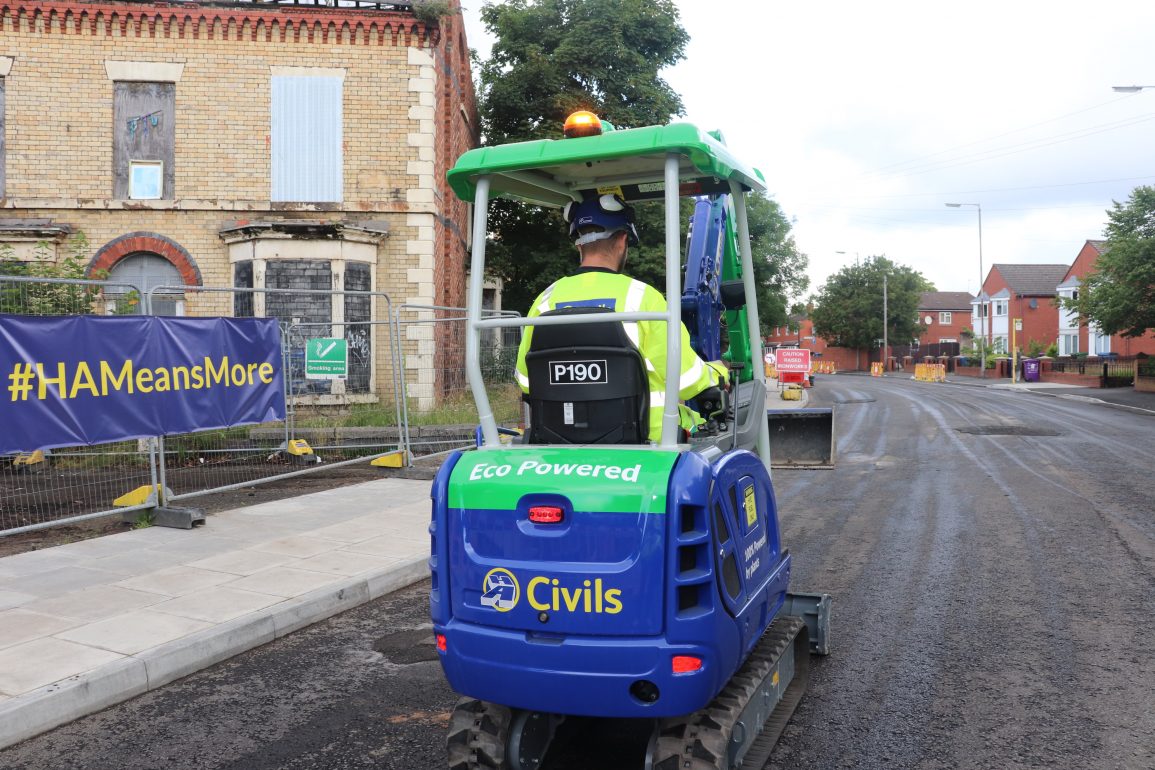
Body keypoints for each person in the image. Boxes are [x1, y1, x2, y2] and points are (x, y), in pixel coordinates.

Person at [514, 193, 728, 442]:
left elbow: (527, 380)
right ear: (622, 240)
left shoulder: (544, 301)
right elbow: (685, 377)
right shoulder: (643, 298)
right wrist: (716, 374)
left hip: (561, 443)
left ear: (579, 244)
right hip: (649, 446)